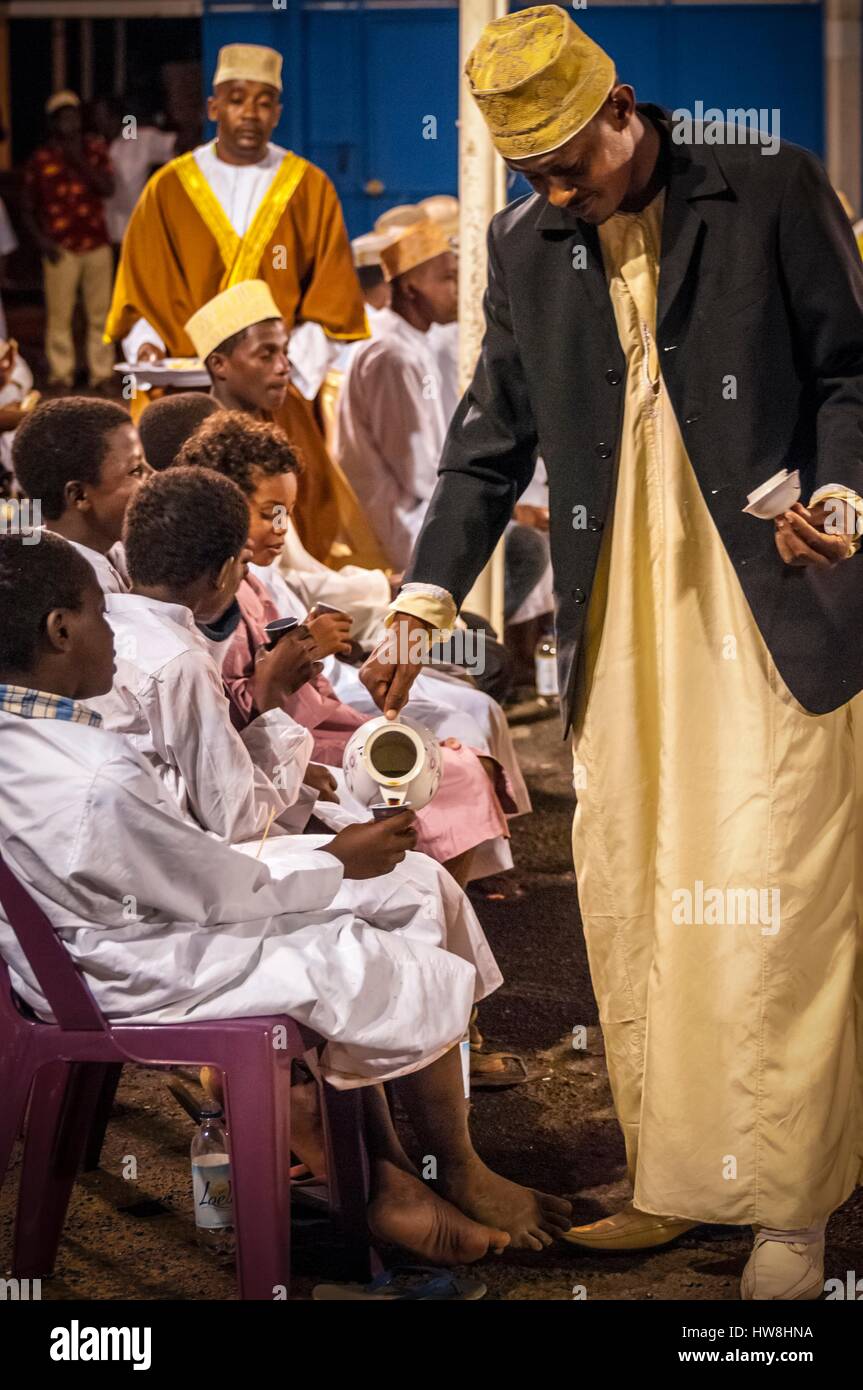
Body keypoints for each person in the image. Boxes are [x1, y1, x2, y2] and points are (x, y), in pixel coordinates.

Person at [361, 6, 863, 1300]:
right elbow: (489, 435)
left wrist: (846, 494)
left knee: (769, 896)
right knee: (636, 882)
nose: (556, 192)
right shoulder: (528, 238)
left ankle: (784, 1202)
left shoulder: (766, 186)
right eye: (530, 177)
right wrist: (423, 595)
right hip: (616, 606)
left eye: (570, 162)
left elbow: (850, 371)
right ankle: (672, 1172)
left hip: (766, 596)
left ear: (624, 105)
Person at [0, 529, 572, 1257]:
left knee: (401, 888)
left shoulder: (34, 737)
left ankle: (397, 1168)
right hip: (131, 964)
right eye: (101, 616)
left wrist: (333, 865)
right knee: (358, 952)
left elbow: (181, 864)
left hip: (90, 944)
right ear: (58, 630)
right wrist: (336, 861)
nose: (117, 634)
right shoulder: (94, 774)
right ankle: (394, 1177)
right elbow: (208, 886)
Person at [104, 42, 373, 563]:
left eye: (265, 101)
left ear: (278, 110)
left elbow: (332, 296)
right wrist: (150, 346)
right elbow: (140, 287)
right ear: (212, 108)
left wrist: (292, 369)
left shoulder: (310, 187)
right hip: (184, 389)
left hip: (274, 390)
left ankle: (288, 613)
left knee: (292, 513)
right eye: (235, 98)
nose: (250, 113)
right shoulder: (168, 189)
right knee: (181, 517)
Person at [336, 220, 458, 571]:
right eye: (446, 279)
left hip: (414, 504)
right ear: (410, 288)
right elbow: (417, 472)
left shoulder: (413, 341)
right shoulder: (393, 355)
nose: (457, 290)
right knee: (515, 547)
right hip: (398, 517)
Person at [21, 92, 115, 389]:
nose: (69, 121)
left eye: (73, 114)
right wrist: (42, 241)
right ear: (53, 122)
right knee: (60, 316)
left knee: (100, 315)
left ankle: (102, 374)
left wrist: (78, 159)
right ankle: (62, 375)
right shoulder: (41, 158)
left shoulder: (94, 149)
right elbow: (27, 206)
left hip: (97, 242)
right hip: (60, 246)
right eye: (62, 116)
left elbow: (107, 187)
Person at [12, 396, 149, 592]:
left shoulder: (113, 550)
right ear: (79, 496)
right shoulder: (79, 601)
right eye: (136, 471)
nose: (154, 477)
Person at [90, 95, 177, 251]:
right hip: (98, 238)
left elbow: (177, 145)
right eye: (97, 118)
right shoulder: (91, 146)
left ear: (118, 116)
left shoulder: (139, 139)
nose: (101, 122)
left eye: (106, 116)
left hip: (135, 233)